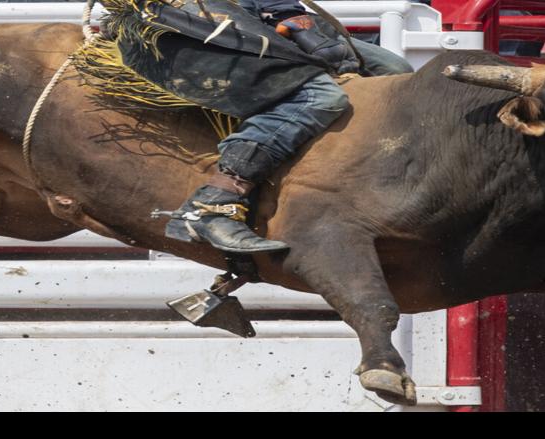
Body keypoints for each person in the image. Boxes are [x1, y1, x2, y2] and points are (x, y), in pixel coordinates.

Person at [103, 0, 366, 254]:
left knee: (392, 68)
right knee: (319, 96)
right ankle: (214, 203)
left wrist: (287, 15)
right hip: (175, 28)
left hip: (243, 23)